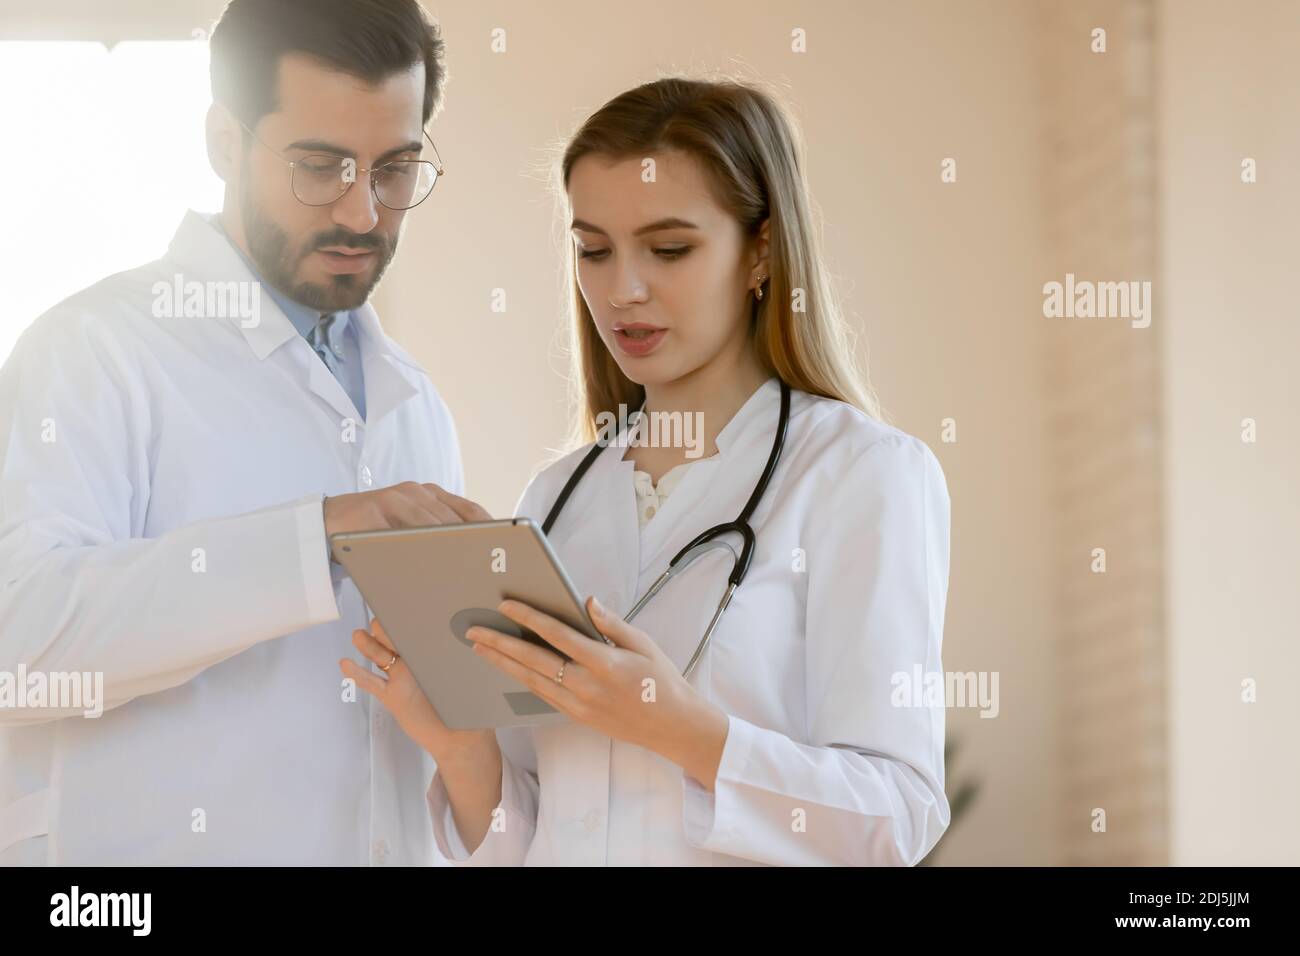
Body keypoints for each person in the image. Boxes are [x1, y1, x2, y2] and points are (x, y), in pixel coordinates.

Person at [346, 77, 953, 866]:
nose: (622, 290)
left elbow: (899, 817)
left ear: (761, 251)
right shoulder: (556, 498)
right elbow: (523, 840)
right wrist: (460, 746)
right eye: (594, 251)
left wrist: (677, 727)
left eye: (669, 250)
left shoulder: (861, 475)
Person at [0, 0, 465, 864]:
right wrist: (315, 536)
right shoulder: (94, 349)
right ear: (224, 142)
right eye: (320, 167)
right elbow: (17, 645)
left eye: (394, 170)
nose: (363, 213)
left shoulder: (416, 404)